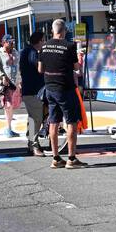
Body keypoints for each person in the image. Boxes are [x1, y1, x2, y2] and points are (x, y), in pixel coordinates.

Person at [39, 19, 85, 168]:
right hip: (65, 88)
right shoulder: (69, 46)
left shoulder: (44, 46)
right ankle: (71, 158)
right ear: (64, 30)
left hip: (50, 88)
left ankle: (56, 158)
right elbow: (77, 68)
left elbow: (40, 69)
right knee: (71, 121)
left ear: (53, 30)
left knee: (53, 121)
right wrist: (79, 60)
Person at [19, 32, 46, 155]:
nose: (44, 43)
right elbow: (40, 69)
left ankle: (31, 144)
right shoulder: (33, 53)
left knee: (32, 119)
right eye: (43, 40)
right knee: (36, 119)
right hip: (34, 91)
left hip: (28, 90)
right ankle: (34, 145)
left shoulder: (26, 51)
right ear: (39, 41)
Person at [0, 36, 22, 137]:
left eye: (13, 42)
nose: (12, 44)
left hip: (16, 83)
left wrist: (21, 80)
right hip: (5, 84)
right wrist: (2, 76)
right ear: (4, 42)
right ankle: (8, 128)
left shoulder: (16, 52)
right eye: (10, 42)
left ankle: (9, 128)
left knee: (13, 106)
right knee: (8, 106)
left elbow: (19, 66)